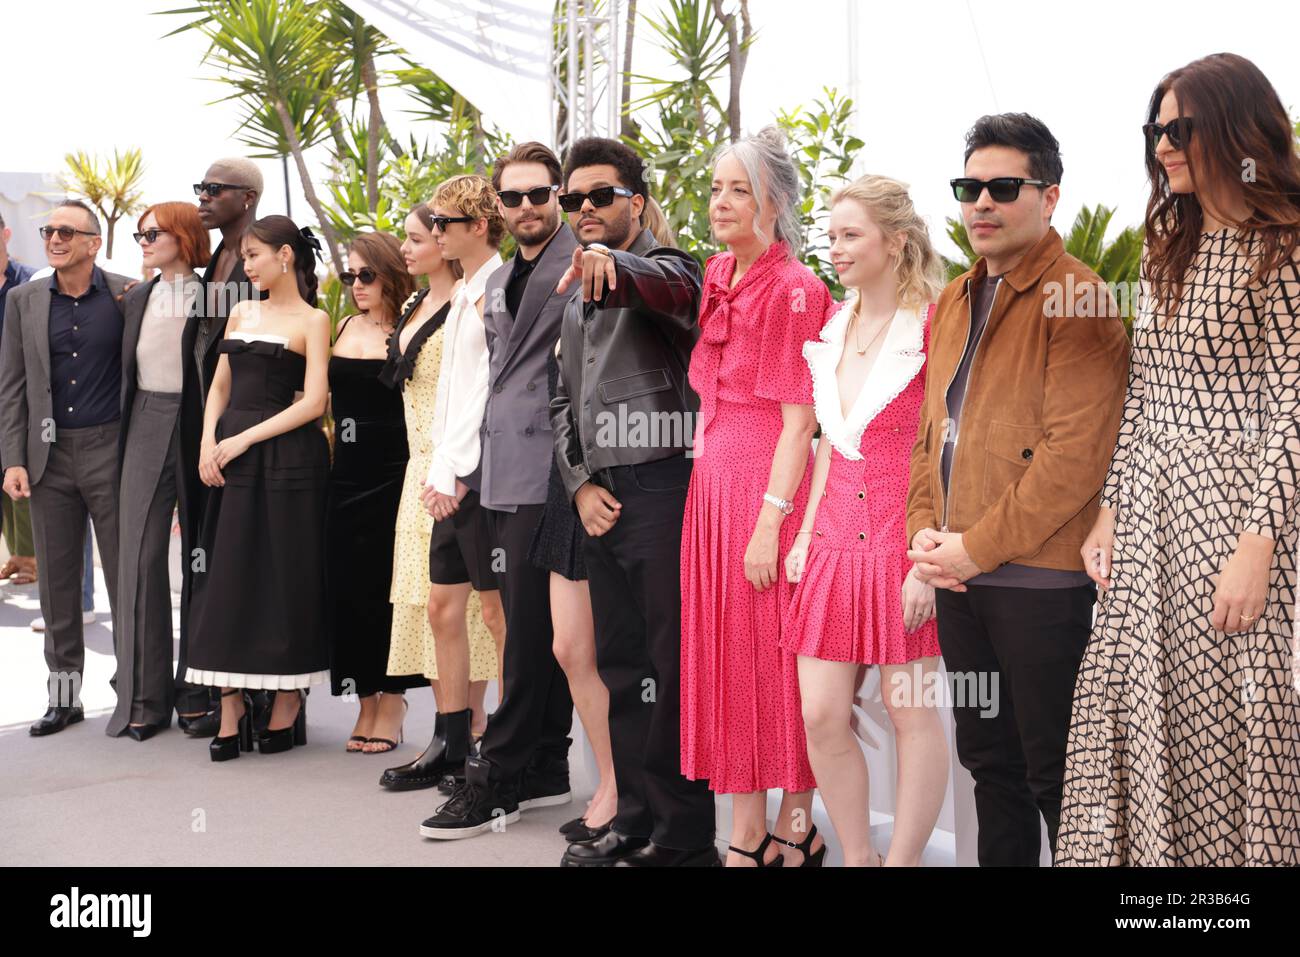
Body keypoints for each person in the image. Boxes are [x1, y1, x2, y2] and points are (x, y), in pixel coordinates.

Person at [1058, 53, 1300, 866]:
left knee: (1239, 731)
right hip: (1153, 526)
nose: (1163, 144)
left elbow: (1293, 414)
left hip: (1239, 521)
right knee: (1128, 717)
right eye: (1154, 129)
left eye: (1179, 128)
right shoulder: (1169, 241)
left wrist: (1257, 549)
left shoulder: (1285, 246)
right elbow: (1144, 399)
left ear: (1234, 126)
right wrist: (1110, 513)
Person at [904, 114, 1129, 866]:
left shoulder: (1084, 299)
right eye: (970, 187)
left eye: (1004, 187)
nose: (982, 203)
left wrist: (974, 547)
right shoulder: (955, 298)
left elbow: (1075, 459)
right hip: (959, 577)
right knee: (988, 766)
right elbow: (928, 430)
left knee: (1060, 774)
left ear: (1050, 195)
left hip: (1040, 580)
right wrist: (927, 536)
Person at [549, 136, 715, 867]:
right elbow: (560, 400)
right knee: (620, 666)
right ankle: (639, 820)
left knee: (668, 663)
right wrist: (579, 482)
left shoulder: (671, 269)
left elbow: (673, 292)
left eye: (600, 196)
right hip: (601, 494)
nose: (584, 209)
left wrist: (613, 265)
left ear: (636, 202)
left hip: (662, 484)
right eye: (571, 199)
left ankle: (684, 839)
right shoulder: (572, 291)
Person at [782, 175, 948, 866]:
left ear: (895, 242)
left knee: (910, 711)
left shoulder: (935, 324)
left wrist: (928, 561)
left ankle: (902, 859)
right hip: (827, 544)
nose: (836, 247)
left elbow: (947, 446)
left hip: (899, 538)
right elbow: (828, 441)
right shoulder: (832, 326)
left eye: (851, 234)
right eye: (832, 235)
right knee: (821, 713)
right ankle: (858, 854)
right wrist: (803, 530)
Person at [679, 127, 832, 867]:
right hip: (711, 489)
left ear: (774, 202)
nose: (721, 202)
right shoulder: (715, 273)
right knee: (728, 658)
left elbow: (802, 421)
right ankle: (746, 824)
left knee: (773, 658)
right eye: (716, 188)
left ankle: (792, 825)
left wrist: (771, 523)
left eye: (739, 189)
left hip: (766, 491)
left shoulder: (800, 290)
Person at [418, 142, 578, 839]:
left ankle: (501, 772)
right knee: (527, 625)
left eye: (537, 195)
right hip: (503, 469)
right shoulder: (504, 275)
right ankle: (544, 765)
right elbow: (480, 383)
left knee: (537, 634)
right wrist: (457, 465)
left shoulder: (582, 259)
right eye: (510, 198)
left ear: (560, 196)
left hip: (562, 469)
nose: (523, 209)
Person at [184, 215, 331, 762]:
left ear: (286, 255)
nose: (246, 265)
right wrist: (207, 442)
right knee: (225, 576)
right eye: (244, 257)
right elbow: (219, 383)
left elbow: (314, 403)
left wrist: (243, 439)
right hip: (226, 455)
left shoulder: (315, 319)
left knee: (283, 574)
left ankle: (287, 700)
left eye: (254, 255)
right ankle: (231, 706)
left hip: (287, 457)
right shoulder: (241, 311)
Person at [379, 205, 499, 788]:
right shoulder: (411, 306)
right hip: (418, 467)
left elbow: (477, 389)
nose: (407, 247)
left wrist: (452, 469)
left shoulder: (474, 300)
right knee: (426, 607)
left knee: (464, 608)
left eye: (417, 237)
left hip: (456, 467)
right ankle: (448, 734)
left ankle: (474, 732)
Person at [0, 200, 129, 736]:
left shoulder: (127, 294)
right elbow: (13, 386)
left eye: (65, 231)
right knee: (54, 586)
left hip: (111, 451)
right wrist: (12, 457)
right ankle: (65, 698)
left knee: (127, 579)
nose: (53, 238)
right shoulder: (24, 300)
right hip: (47, 458)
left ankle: (135, 693)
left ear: (93, 242)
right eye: (48, 230)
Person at [107, 202, 210, 740]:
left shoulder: (217, 293)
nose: (143, 241)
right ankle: (144, 697)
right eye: (139, 233)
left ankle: (198, 692)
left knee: (203, 556)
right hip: (146, 419)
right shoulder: (136, 296)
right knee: (142, 560)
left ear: (184, 237)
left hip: (200, 425)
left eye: (153, 233)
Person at [326, 231, 425, 753]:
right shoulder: (342, 326)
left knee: (392, 590)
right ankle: (365, 697)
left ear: (391, 273)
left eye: (366, 275)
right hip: (345, 475)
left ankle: (393, 699)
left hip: (396, 473)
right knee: (351, 589)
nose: (356, 285)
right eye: (350, 276)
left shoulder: (411, 329)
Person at [177, 157, 265, 738]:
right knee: (202, 556)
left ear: (248, 198)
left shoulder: (269, 255)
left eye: (215, 190)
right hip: (199, 424)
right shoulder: (212, 264)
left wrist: (235, 431)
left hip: (245, 431)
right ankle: (210, 685)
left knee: (245, 559)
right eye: (200, 188)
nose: (203, 198)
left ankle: (259, 696)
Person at [0, 209, 38, 586]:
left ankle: (28, 558)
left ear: (6, 234)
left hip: (21, 398)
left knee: (19, 478)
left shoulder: (28, 283)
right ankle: (17, 556)